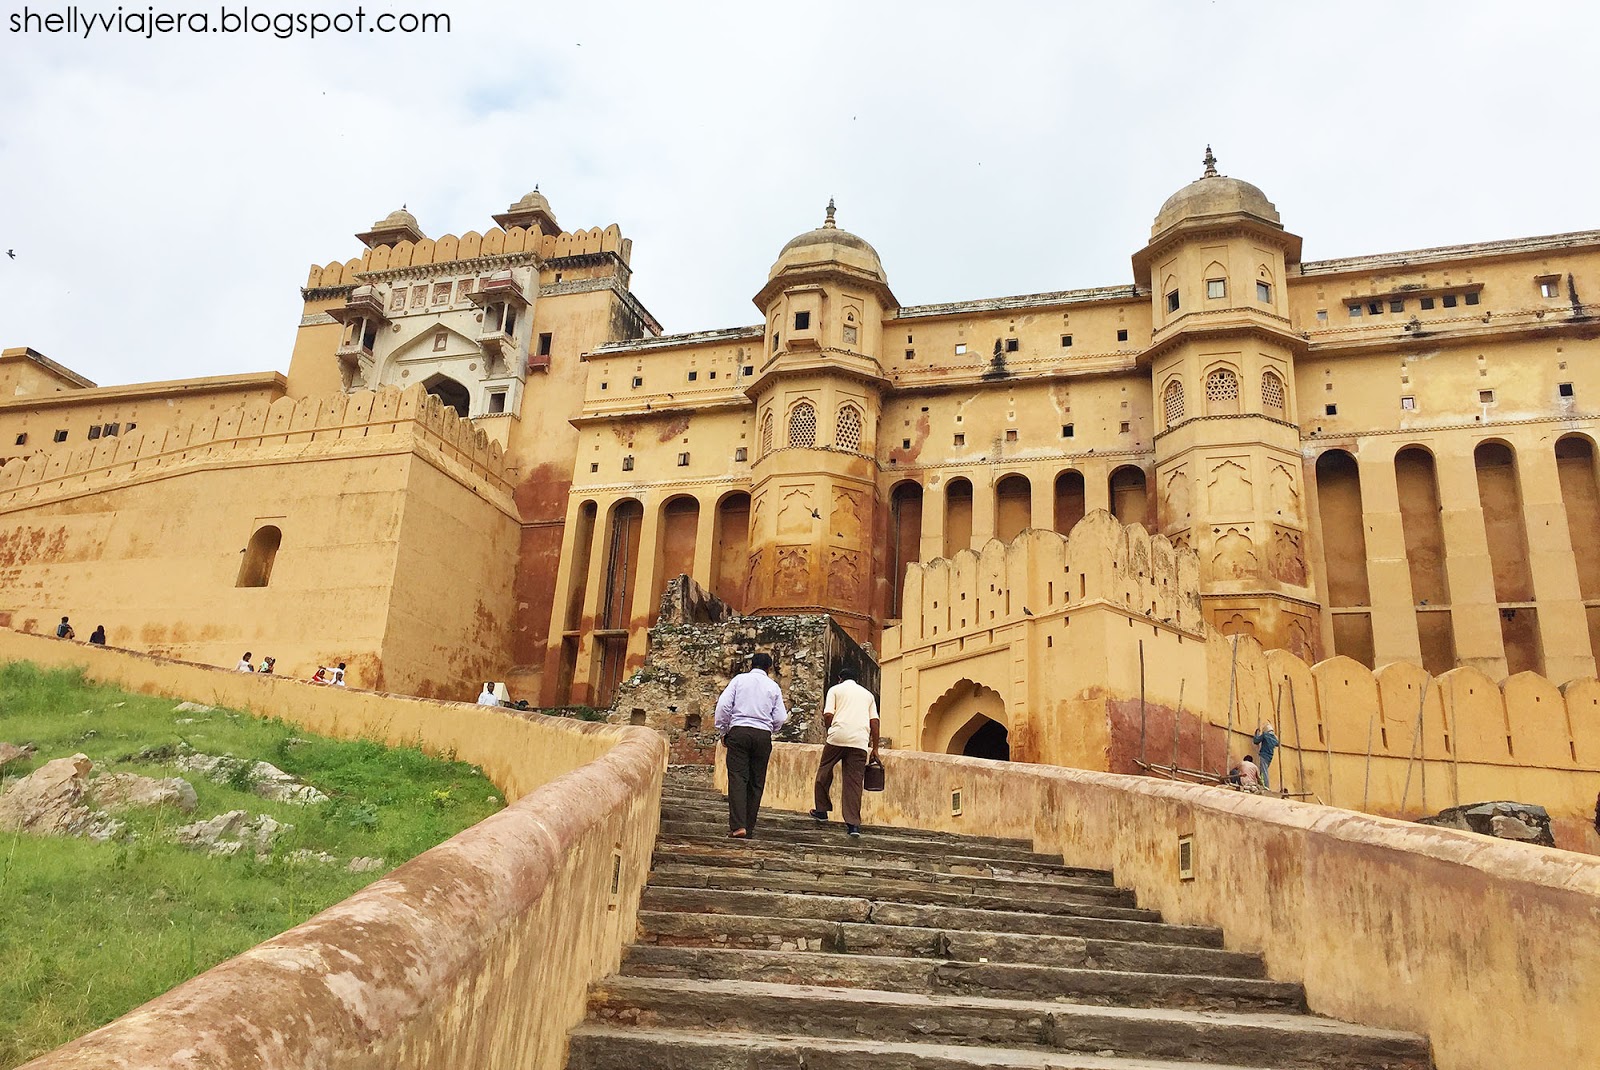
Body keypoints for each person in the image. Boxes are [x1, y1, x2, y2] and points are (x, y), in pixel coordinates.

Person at [714, 651, 787, 838]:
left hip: (739, 731)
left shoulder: (739, 680)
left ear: (751, 665)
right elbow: (780, 717)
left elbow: (723, 706)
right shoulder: (773, 687)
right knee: (756, 781)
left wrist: (723, 730)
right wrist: (770, 728)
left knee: (738, 778)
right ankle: (749, 826)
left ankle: (738, 825)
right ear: (769, 669)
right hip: (762, 734)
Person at [809, 665, 880, 838]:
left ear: (840, 678)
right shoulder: (868, 695)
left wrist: (830, 730)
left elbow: (827, 715)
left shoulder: (835, 690)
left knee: (824, 771)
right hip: (859, 741)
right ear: (857, 680)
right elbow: (875, 723)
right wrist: (875, 748)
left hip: (837, 737)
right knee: (854, 783)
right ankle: (853, 824)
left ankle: (822, 810)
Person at [1252, 721, 1280, 790]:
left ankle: (1266, 787)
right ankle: (1263, 785)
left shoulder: (1265, 735)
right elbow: (1277, 743)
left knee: (1264, 772)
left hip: (1264, 755)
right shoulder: (1274, 738)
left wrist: (1257, 733)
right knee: (1264, 771)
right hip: (1270, 757)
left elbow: (1256, 741)